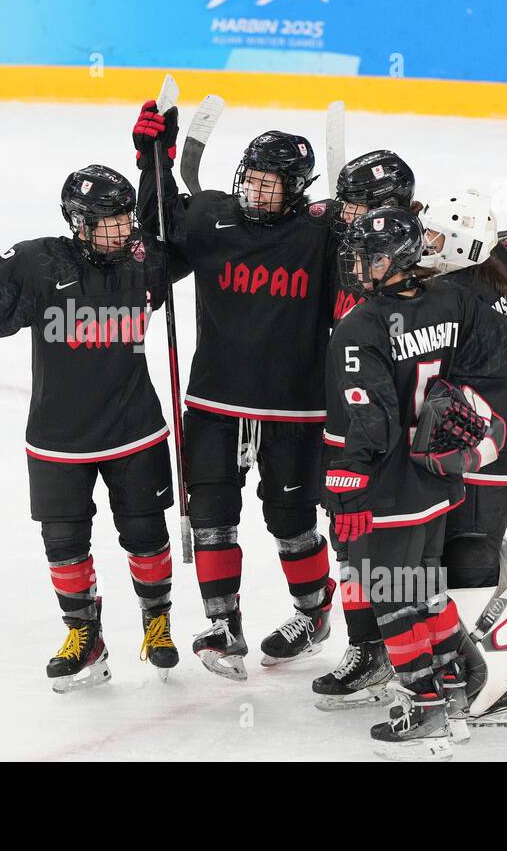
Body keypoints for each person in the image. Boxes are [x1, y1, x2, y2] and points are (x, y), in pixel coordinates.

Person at [0, 164, 180, 692]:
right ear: (79, 222)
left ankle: (157, 620)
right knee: (64, 542)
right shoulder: (40, 261)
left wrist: (155, 158)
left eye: (126, 219)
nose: (123, 230)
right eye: (109, 222)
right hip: (59, 437)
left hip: (136, 430)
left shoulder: (146, 260)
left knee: (146, 533)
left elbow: (182, 234)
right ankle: (85, 638)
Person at [322, 206, 507, 760]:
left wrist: (347, 488)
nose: (354, 264)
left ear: (392, 260)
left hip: (390, 487)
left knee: (392, 592)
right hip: (438, 485)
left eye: (365, 256)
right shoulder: (453, 301)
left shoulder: (360, 327)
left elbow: (372, 421)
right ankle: (463, 678)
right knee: (423, 587)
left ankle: (428, 710)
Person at [133, 100, 336, 680]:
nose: (255, 193)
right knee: (212, 515)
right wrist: (153, 158)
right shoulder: (211, 218)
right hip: (215, 402)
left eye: (270, 186)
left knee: (291, 519)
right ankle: (224, 625)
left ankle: (314, 610)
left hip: (295, 408)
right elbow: (161, 220)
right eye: (250, 180)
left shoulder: (321, 232)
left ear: (297, 190)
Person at [420, 190, 507, 727]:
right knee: (483, 544)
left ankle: (499, 684)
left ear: (460, 245)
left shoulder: (452, 297)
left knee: (469, 551)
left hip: (484, 448)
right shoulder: (504, 271)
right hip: (506, 440)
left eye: (433, 237)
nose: (422, 245)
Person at [309, 149, 419, 707]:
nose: (345, 217)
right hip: (347, 428)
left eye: (356, 207)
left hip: (410, 439)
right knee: (349, 545)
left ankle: (429, 662)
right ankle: (369, 650)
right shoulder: (345, 247)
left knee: (413, 552)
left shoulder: (427, 256)